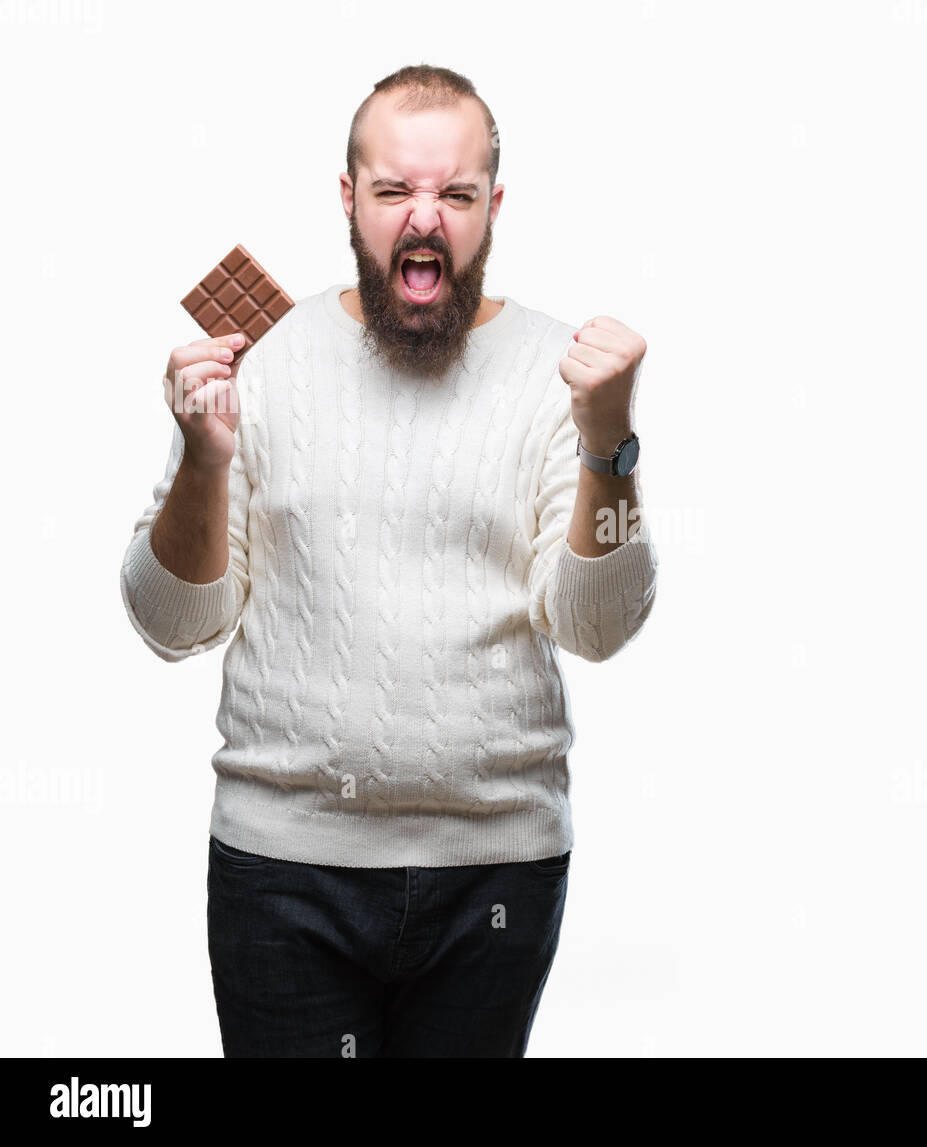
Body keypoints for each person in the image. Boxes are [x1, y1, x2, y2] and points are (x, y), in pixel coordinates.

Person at [118, 63, 658, 1058]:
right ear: (347, 200)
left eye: (454, 195)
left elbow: (598, 623)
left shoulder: (562, 373)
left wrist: (608, 444)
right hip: (284, 869)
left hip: (496, 871)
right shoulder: (261, 359)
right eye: (394, 192)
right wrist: (202, 457)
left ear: (492, 207)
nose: (425, 219)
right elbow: (169, 623)